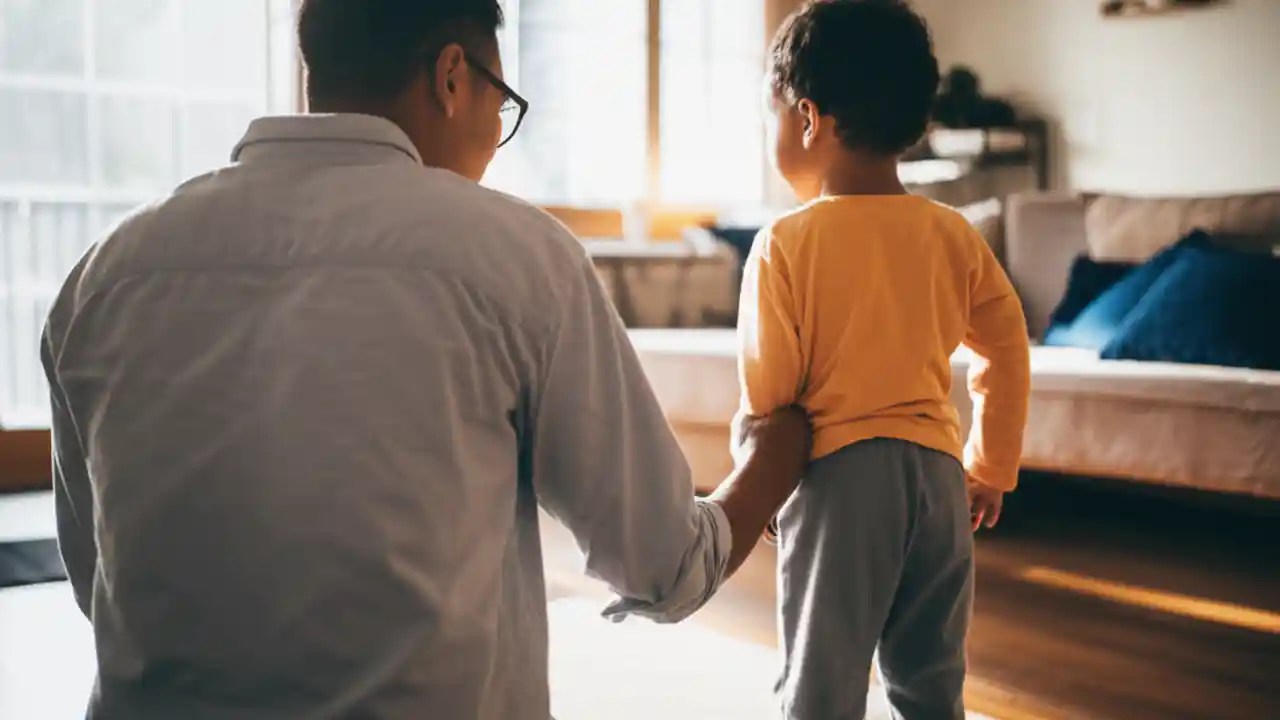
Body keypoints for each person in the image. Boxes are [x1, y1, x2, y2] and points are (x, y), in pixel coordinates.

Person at [40, 1, 809, 718]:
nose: (494, 134)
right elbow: (666, 565)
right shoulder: (515, 255)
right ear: (451, 78)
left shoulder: (106, 274)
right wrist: (773, 459)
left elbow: (98, 580)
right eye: (500, 105)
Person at [739, 1, 1032, 718]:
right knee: (931, 680)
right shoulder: (952, 233)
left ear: (809, 119)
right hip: (939, 483)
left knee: (822, 681)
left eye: (776, 116)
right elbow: (1006, 346)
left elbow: (769, 396)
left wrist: (762, 484)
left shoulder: (786, 243)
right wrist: (989, 465)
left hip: (841, 485)